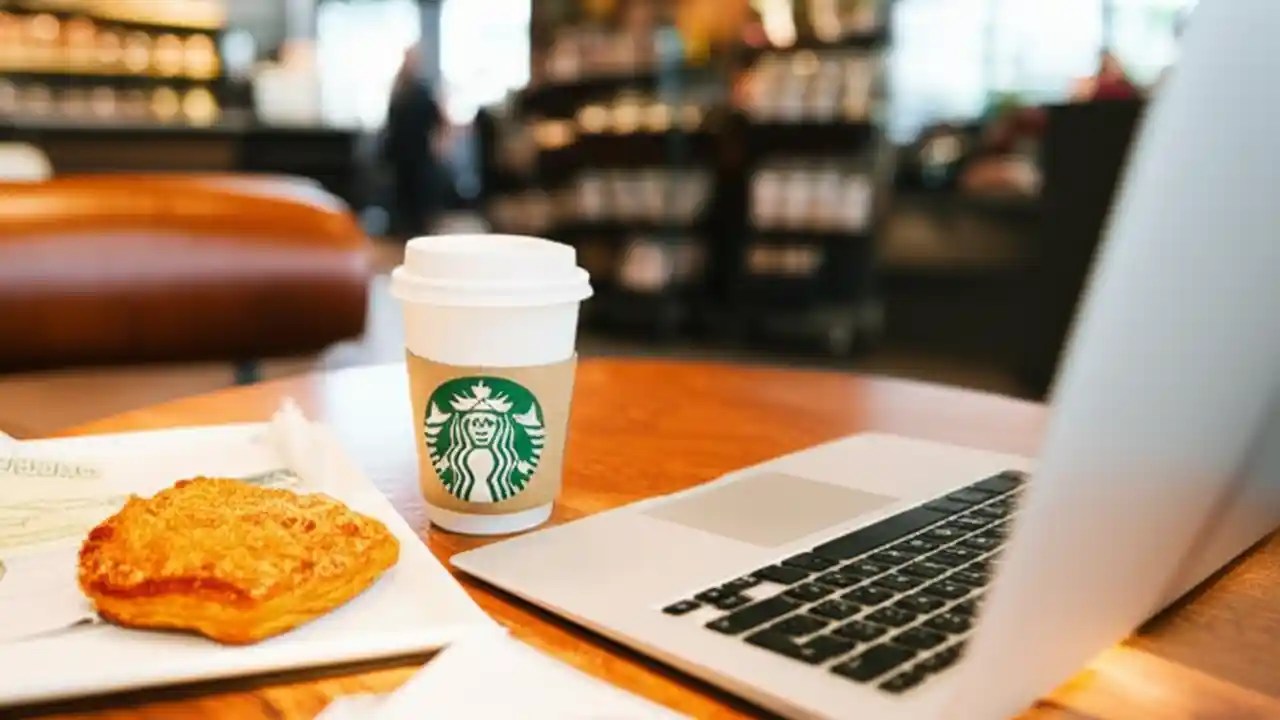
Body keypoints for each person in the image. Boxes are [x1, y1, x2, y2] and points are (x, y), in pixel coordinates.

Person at [384, 44, 446, 238]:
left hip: (419, 154)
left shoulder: (424, 90)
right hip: (400, 154)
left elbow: (440, 120)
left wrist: (439, 144)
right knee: (402, 197)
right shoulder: (399, 88)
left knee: (420, 197)